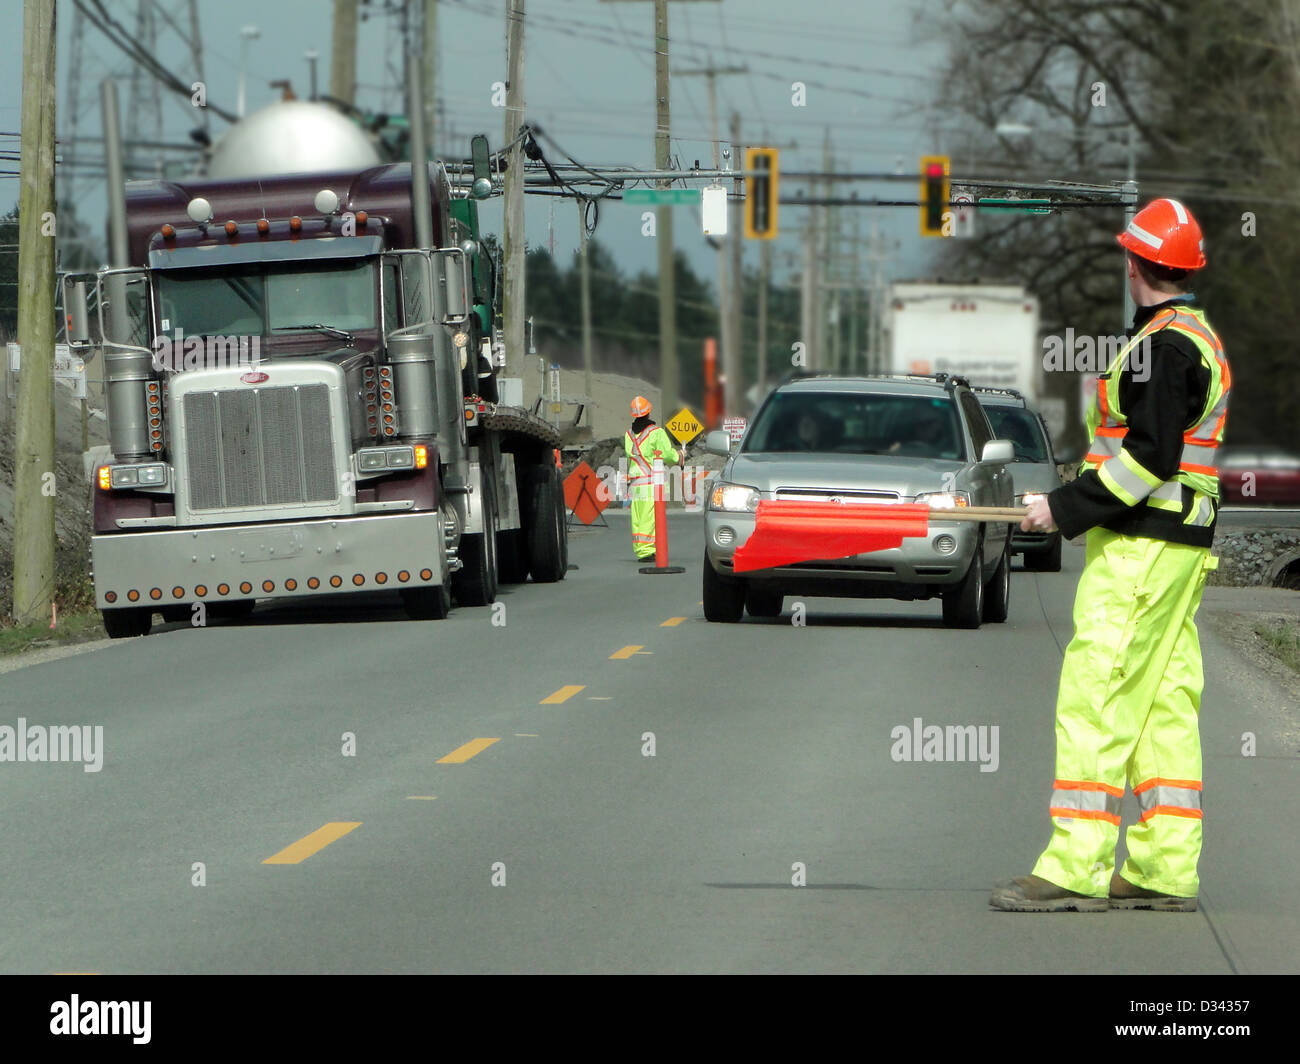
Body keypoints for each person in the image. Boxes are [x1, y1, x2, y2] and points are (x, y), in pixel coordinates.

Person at [990, 198, 1230, 913]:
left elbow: (1150, 458)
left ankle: (1075, 866)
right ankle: (1163, 868)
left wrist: (1060, 508)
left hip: (1143, 548)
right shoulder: (1194, 335)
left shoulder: (1163, 348)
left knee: (1097, 693)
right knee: (1163, 701)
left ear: (1134, 264)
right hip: (1180, 547)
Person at [625, 396, 680, 560]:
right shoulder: (657, 433)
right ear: (648, 412)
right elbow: (668, 455)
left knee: (638, 519)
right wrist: (679, 456)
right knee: (649, 519)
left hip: (636, 483)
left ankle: (640, 549)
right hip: (651, 483)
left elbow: (630, 459)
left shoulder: (628, 435)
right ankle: (647, 551)